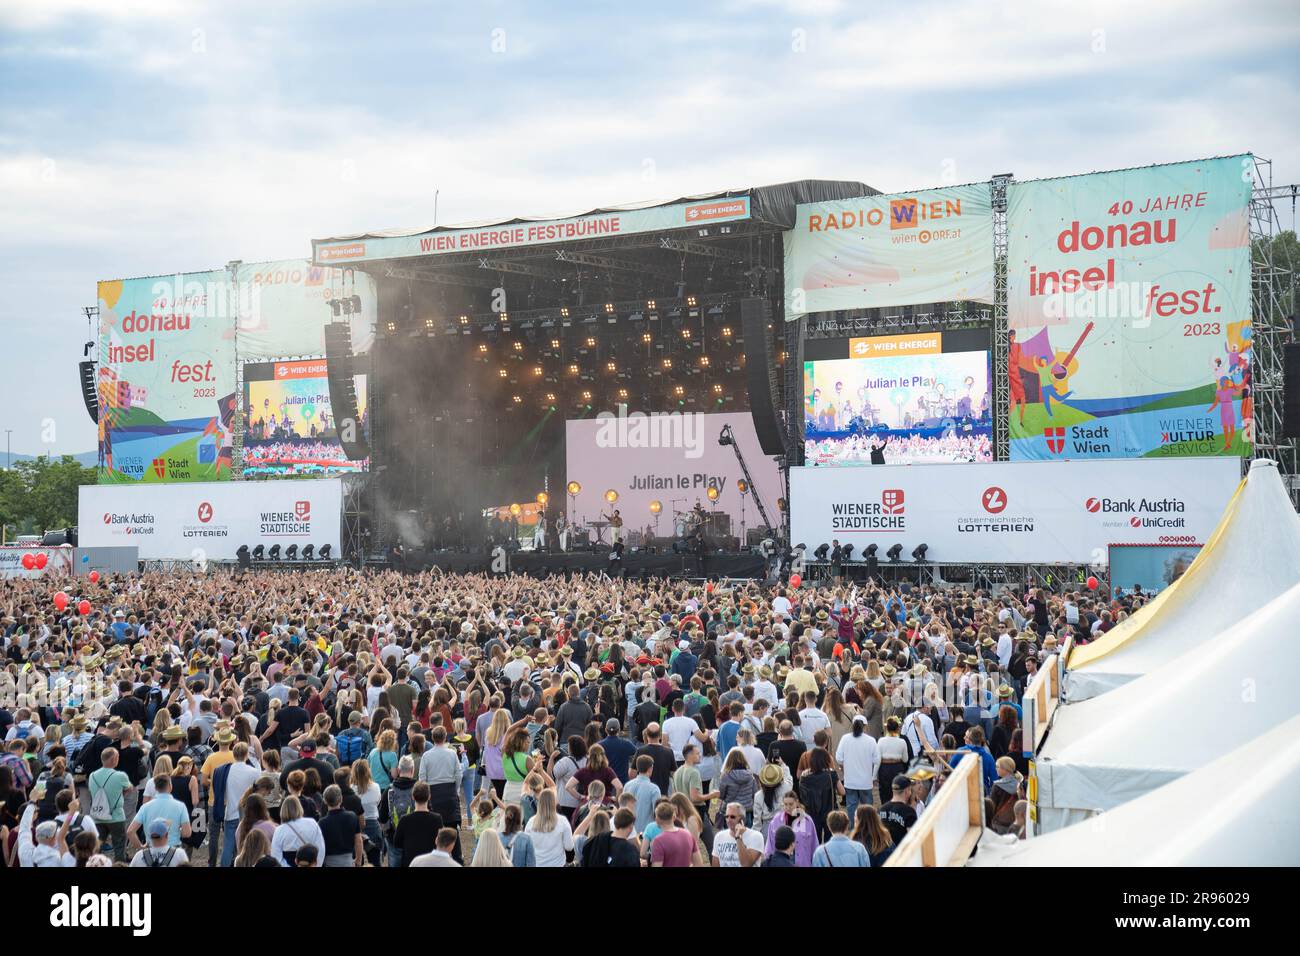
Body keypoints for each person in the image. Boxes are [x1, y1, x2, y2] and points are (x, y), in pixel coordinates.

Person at [835, 714, 881, 820]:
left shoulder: (845, 739)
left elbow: (838, 758)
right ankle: (868, 829)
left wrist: (844, 765)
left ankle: (852, 830)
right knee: (868, 809)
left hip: (850, 781)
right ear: (865, 726)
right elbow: (877, 760)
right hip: (866, 782)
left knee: (851, 808)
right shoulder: (871, 740)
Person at [524, 788, 574, 867]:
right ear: (554, 803)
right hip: (558, 864)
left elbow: (526, 846)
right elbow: (569, 847)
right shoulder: (563, 821)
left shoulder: (531, 822)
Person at [711, 801, 764, 867]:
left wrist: (738, 837)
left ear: (742, 819)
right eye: (726, 816)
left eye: (732, 817)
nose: (728, 820)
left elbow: (746, 864)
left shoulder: (756, 836)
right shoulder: (719, 836)